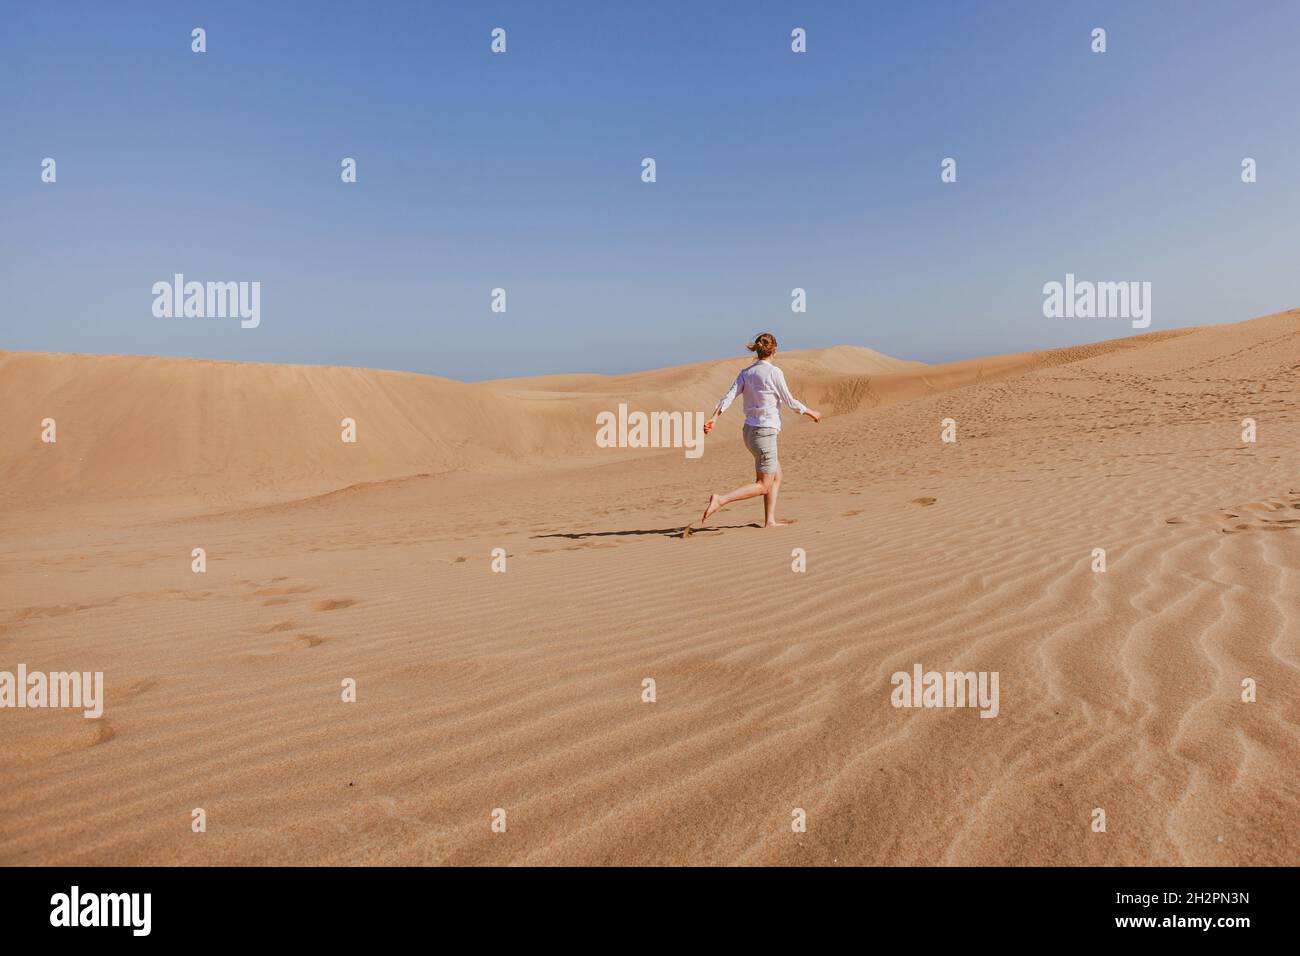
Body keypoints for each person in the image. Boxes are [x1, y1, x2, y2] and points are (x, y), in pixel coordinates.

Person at [699, 333, 821, 528]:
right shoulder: (774, 373)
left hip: (749, 433)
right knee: (764, 485)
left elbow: (728, 397)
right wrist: (811, 412)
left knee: (776, 475)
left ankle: (769, 520)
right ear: (774, 349)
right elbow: (790, 401)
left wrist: (715, 417)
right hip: (764, 433)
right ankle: (720, 500)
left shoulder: (746, 373)